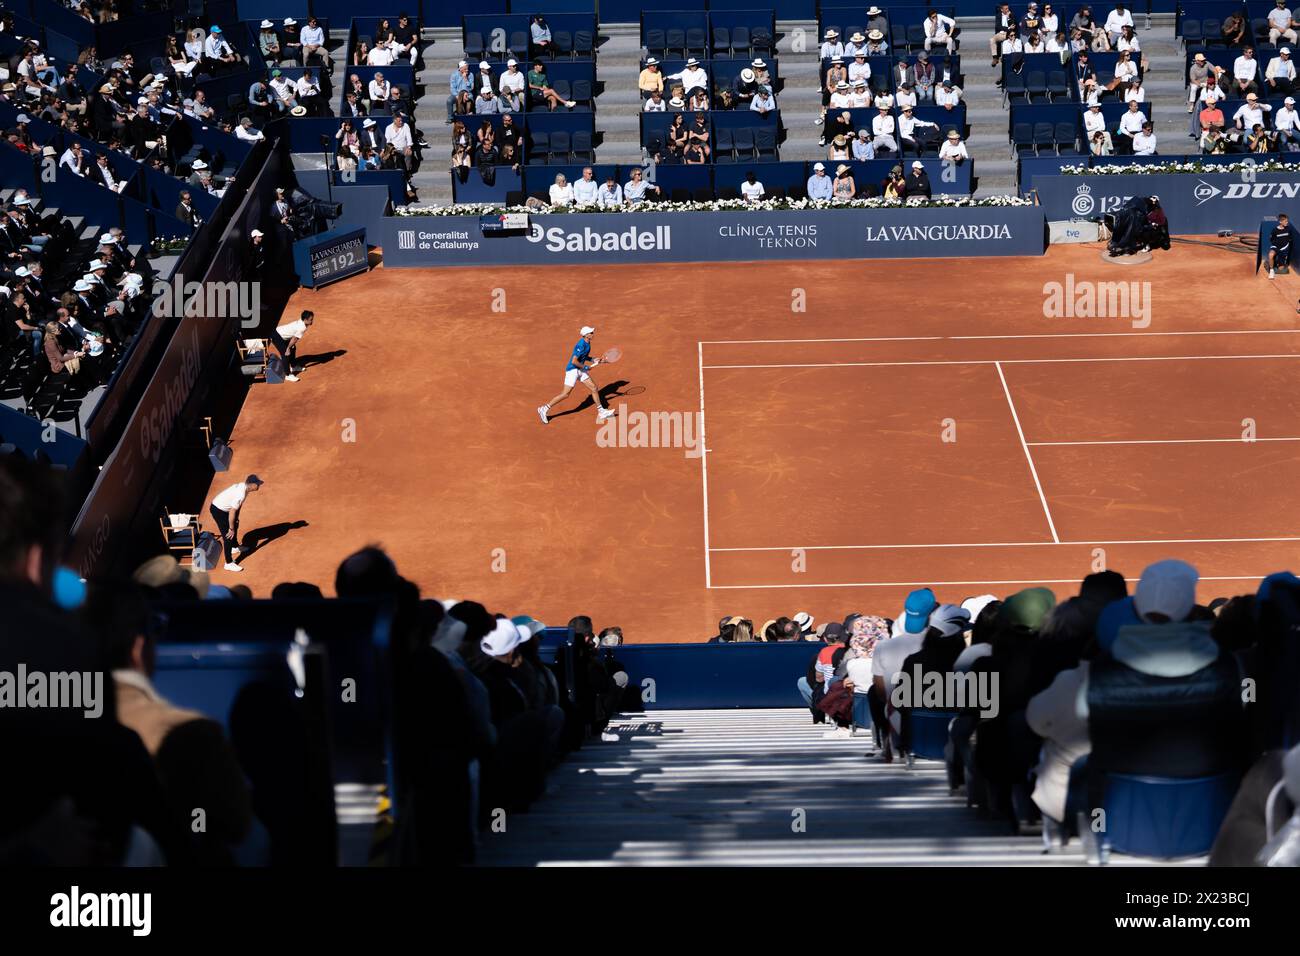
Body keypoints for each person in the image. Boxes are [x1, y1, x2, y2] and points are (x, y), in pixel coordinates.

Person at [537, 326, 616, 425]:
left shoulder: (588, 343)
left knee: (594, 388)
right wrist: (586, 367)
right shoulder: (581, 345)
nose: (593, 334)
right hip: (573, 370)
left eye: (592, 332)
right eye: (591, 333)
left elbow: (584, 356)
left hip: (580, 369)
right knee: (565, 394)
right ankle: (544, 409)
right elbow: (574, 361)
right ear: (586, 335)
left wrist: (593, 359)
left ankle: (601, 412)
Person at [208, 475, 264, 572]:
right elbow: (232, 511)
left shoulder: (244, 487)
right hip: (218, 510)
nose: (259, 485)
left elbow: (237, 507)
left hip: (225, 509)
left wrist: (236, 520)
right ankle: (228, 563)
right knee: (228, 536)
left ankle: (234, 547)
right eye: (257, 484)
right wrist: (231, 528)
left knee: (235, 524)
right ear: (251, 484)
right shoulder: (241, 494)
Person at [275, 310, 314, 382]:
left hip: (283, 335)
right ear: (305, 320)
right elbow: (294, 338)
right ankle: (287, 375)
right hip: (277, 336)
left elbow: (294, 337)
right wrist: (288, 348)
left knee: (293, 348)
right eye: (311, 320)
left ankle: (293, 366)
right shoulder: (302, 327)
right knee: (286, 354)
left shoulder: (302, 322)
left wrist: (290, 347)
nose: (312, 321)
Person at [1268, 212, 1298, 278]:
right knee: (1270, 255)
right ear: (1280, 222)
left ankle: (1276, 262)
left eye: (1287, 221)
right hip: (1276, 246)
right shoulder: (1275, 230)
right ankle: (1271, 271)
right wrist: (1275, 245)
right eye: (1286, 221)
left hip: (1284, 249)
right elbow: (1272, 239)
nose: (1287, 222)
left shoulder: (1289, 229)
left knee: (1280, 268)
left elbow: (1290, 238)